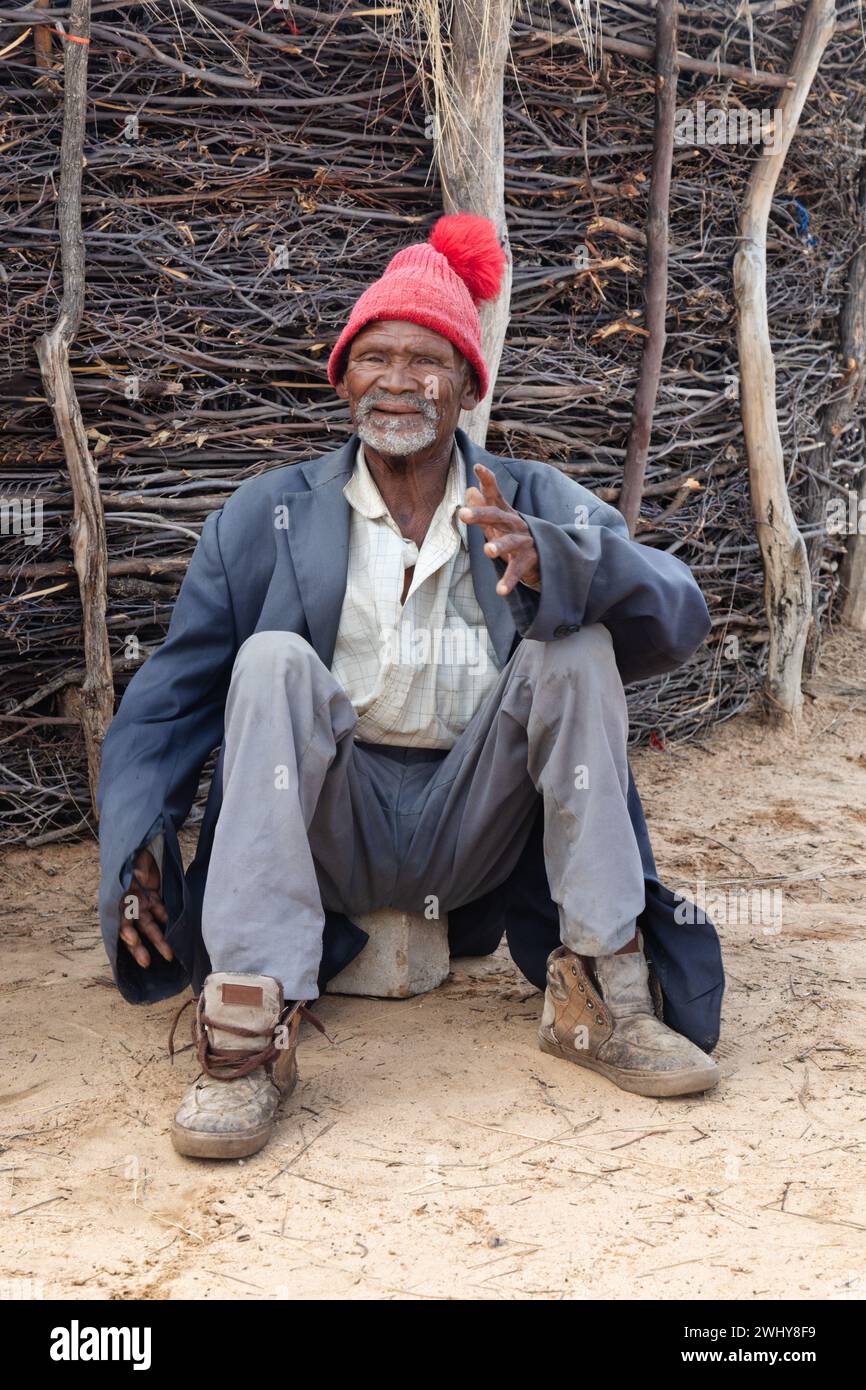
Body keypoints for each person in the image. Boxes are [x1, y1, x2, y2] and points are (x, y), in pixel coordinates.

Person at [97, 214, 723, 1161]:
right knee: (269, 660)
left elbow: (680, 608)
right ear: (342, 377)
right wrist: (138, 847)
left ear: (470, 384)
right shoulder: (262, 515)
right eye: (373, 357)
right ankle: (249, 1033)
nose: (397, 380)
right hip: (328, 826)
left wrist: (563, 565)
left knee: (574, 648)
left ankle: (604, 993)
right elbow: (169, 702)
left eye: (426, 359)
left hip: (476, 824)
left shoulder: (533, 496)